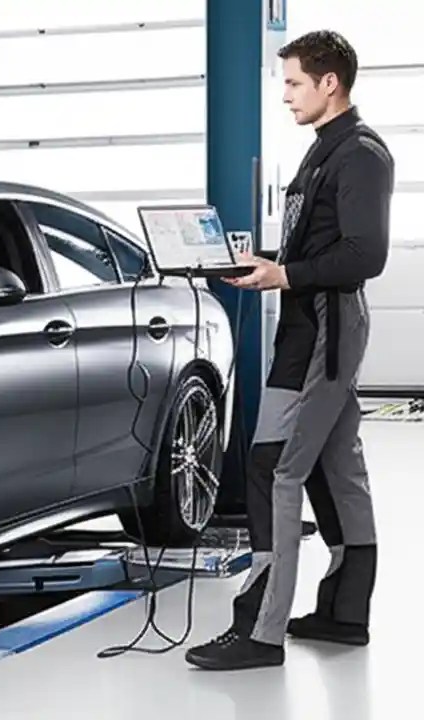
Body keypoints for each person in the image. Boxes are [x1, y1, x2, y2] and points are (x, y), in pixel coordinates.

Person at [185, 29, 394, 670]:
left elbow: (367, 255)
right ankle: (342, 614)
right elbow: (318, 248)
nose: (285, 96)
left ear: (330, 83)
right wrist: (266, 262)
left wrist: (285, 276)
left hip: (326, 332)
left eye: (295, 82)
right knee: (338, 468)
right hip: (304, 327)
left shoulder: (359, 154)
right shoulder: (321, 153)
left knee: (275, 468)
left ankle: (260, 630)